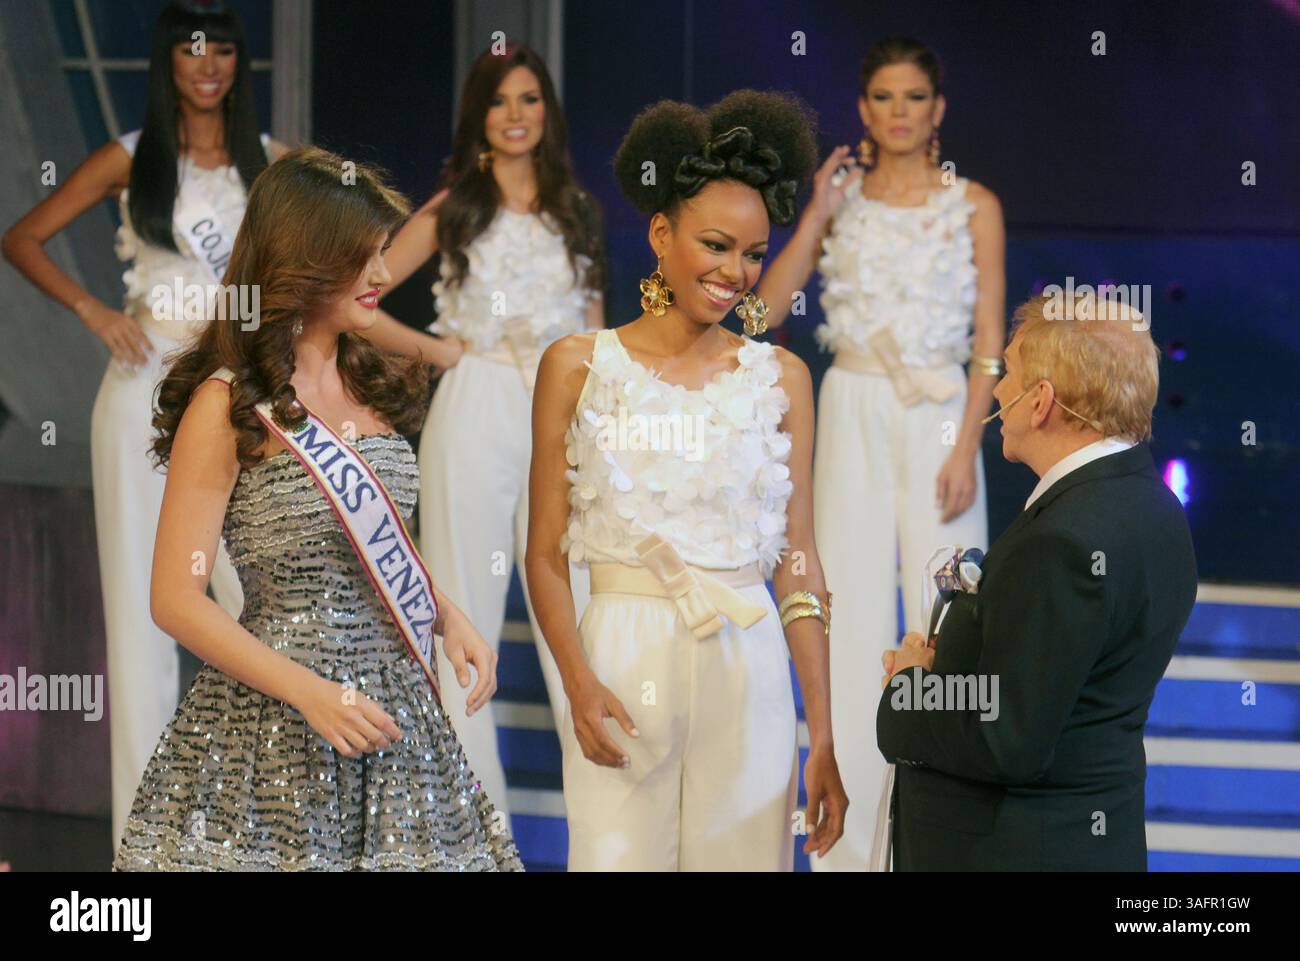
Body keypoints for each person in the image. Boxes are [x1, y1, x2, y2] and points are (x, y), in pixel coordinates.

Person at [112, 146, 521, 871]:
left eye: (382, 254)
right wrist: (311, 694)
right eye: (363, 258)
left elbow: (367, 544)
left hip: (394, 722)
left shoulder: (374, 381)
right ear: (304, 260)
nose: (385, 277)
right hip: (276, 723)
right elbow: (176, 598)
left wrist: (444, 611)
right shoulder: (227, 401)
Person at [526, 90, 848, 871]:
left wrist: (824, 734)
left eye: (752, 254)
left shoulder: (784, 378)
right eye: (715, 244)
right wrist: (576, 679)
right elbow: (542, 554)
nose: (736, 271)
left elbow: (798, 561)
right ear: (661, 234)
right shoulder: (576, 364)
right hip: (620, 654)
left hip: (750, 662)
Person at [0, 0, 287, 852]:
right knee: (143, 626)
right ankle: (148, 848)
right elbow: (24, 237)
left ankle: (264, 827)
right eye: (192, 50)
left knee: (262, 603)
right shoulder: (130, 158)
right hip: (140, 393)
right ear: (169, 63)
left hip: (233, 402)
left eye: (224, 50)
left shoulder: (268, 166)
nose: (208, 65)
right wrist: (96, 310)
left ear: (239, 63)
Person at [755, 36, 1005, 870]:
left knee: (952, 614)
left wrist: (970, 440)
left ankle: (944, 836)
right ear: (864, 109)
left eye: (915, 98)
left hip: (942, 415)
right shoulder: (842, 198)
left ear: (938, 109)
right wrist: (818, 213)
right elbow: (761, 314)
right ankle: (844, 840)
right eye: (884, 99)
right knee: (850, 612)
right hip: (853, 404)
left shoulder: (974, 204)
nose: (899, 113)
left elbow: (991, 342)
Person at [363, 42, 605, 819]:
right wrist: (439, 352)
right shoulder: (452, 209)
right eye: (500, 101)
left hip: (565, 408)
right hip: (476, 403)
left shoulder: (576, 210)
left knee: (584, 608)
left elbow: (597, 329)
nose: (514, 115)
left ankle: (605, 820)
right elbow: (356, 300)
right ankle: (472, 832)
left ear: (548, 113)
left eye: (529, 99)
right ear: (479, 116)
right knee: (460, 605)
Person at [877, 292, 1197, 871]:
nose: (997, 391)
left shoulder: (1062, 541)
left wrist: (910, 688)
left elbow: (1007, 741)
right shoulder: (1156, 507)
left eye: (1009, 373)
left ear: (1041, 401)